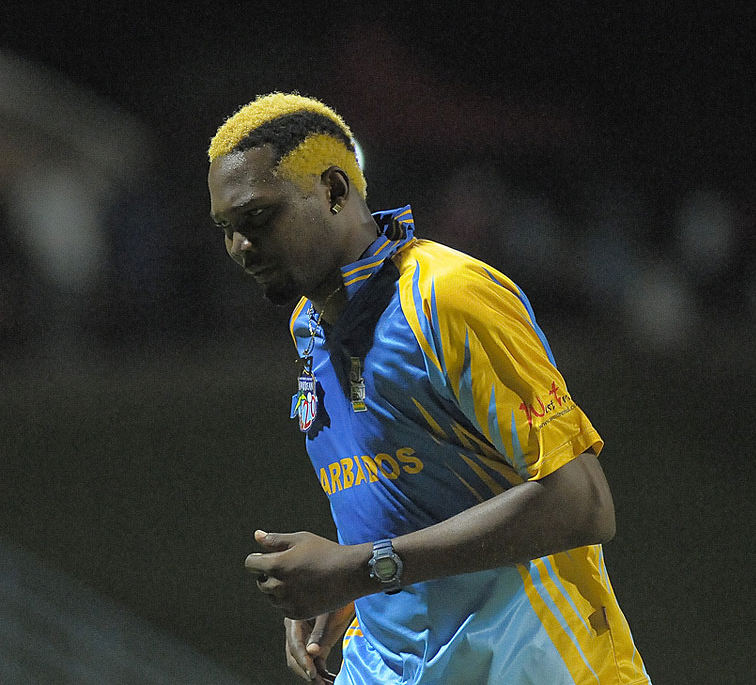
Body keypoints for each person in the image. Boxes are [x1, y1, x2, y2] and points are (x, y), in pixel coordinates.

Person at [207, 92, 651, 685]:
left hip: (535, 663)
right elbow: (403, 497)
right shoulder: (309, 327)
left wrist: (363, 568)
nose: (240, 248)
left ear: (336, 190)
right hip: (387, 667)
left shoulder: (448, 297)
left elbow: (582, 504)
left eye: (258, 218)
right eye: (227, 229)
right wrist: (343, 587)